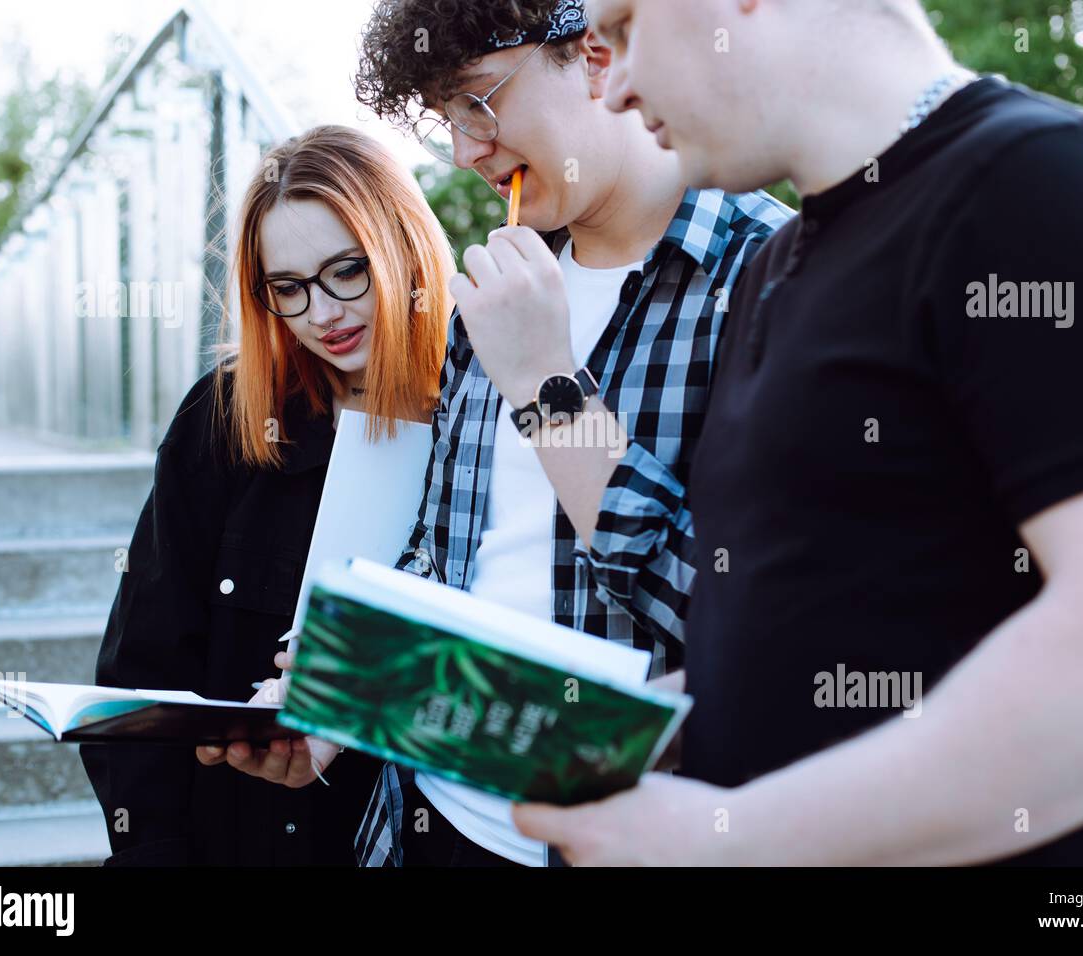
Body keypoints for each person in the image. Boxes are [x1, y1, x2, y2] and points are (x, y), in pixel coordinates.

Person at [513, 0, 1083, 865]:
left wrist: (735, 845)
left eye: (623, 30)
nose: (613, 86)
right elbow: (837, 610)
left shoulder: (1047, 187)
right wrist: (664, 729)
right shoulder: (782, 262)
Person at [214, 0, 790, 866]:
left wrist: (546, 386)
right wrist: (338, 698)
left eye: (479, 101)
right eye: (447, 121)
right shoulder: (495, 288)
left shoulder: (772, 282)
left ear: (594, 52)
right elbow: (442, 555)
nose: (465, 151)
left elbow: (758, 621)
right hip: (427, 821)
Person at [81, 125, 455, 865]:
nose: (323, 314)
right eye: (288, 288)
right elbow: (144, 669)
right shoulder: (225, 419)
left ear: (404, 249)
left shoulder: (479, 421)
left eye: (347, 271)